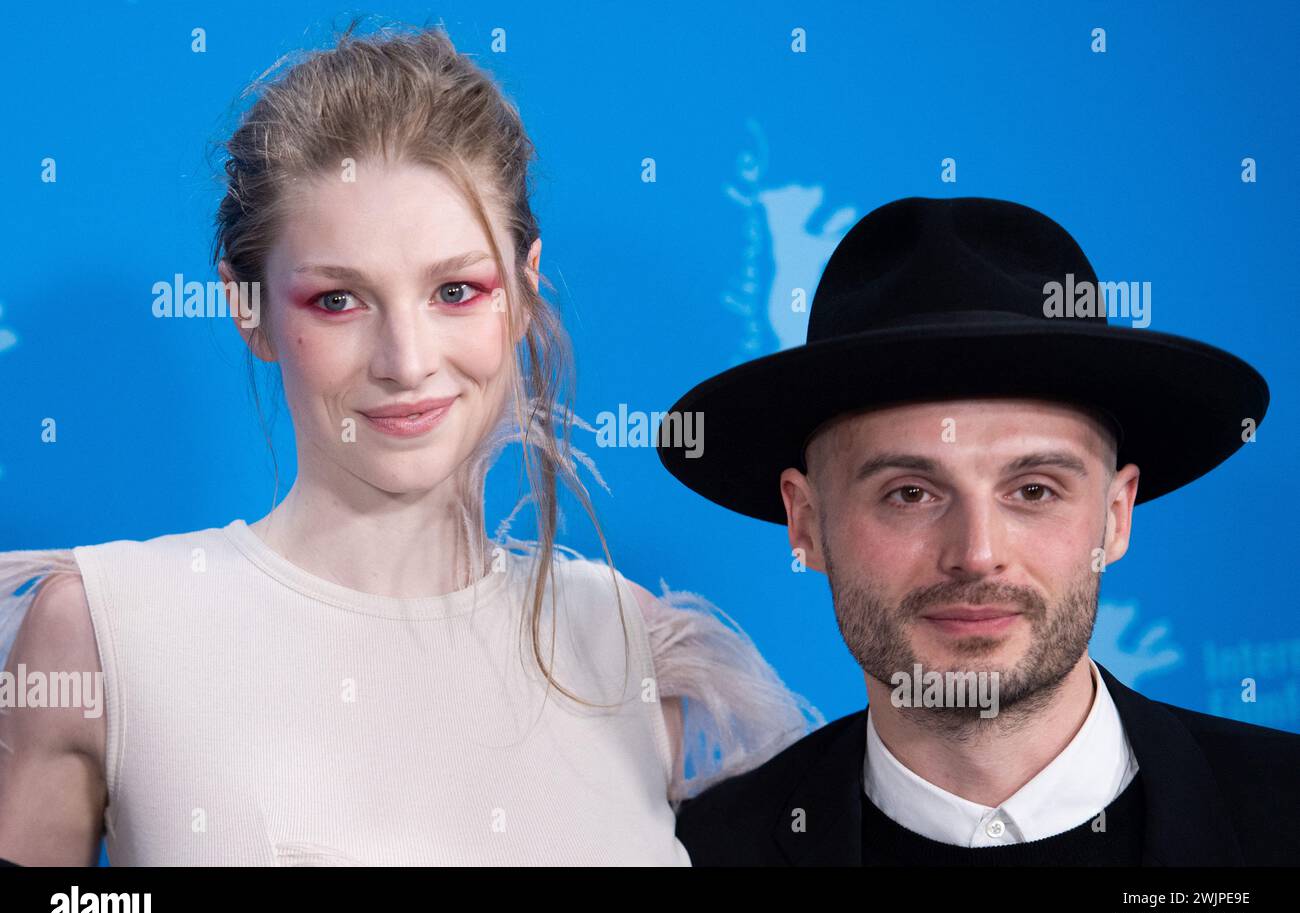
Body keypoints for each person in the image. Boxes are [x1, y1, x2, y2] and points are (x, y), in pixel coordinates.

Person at [0, 21, 821, 866]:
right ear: (249, 310)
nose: (407, 361)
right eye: (338, 301)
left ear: (527, 287)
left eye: (456, 290)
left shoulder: (625, 639)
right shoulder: (103, 631)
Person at [658, 195, 1300, 865]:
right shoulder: (699, 855)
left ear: (1114, 517)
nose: (977, 554)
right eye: (909, 493)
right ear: (808, 523)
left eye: (1033, 490)